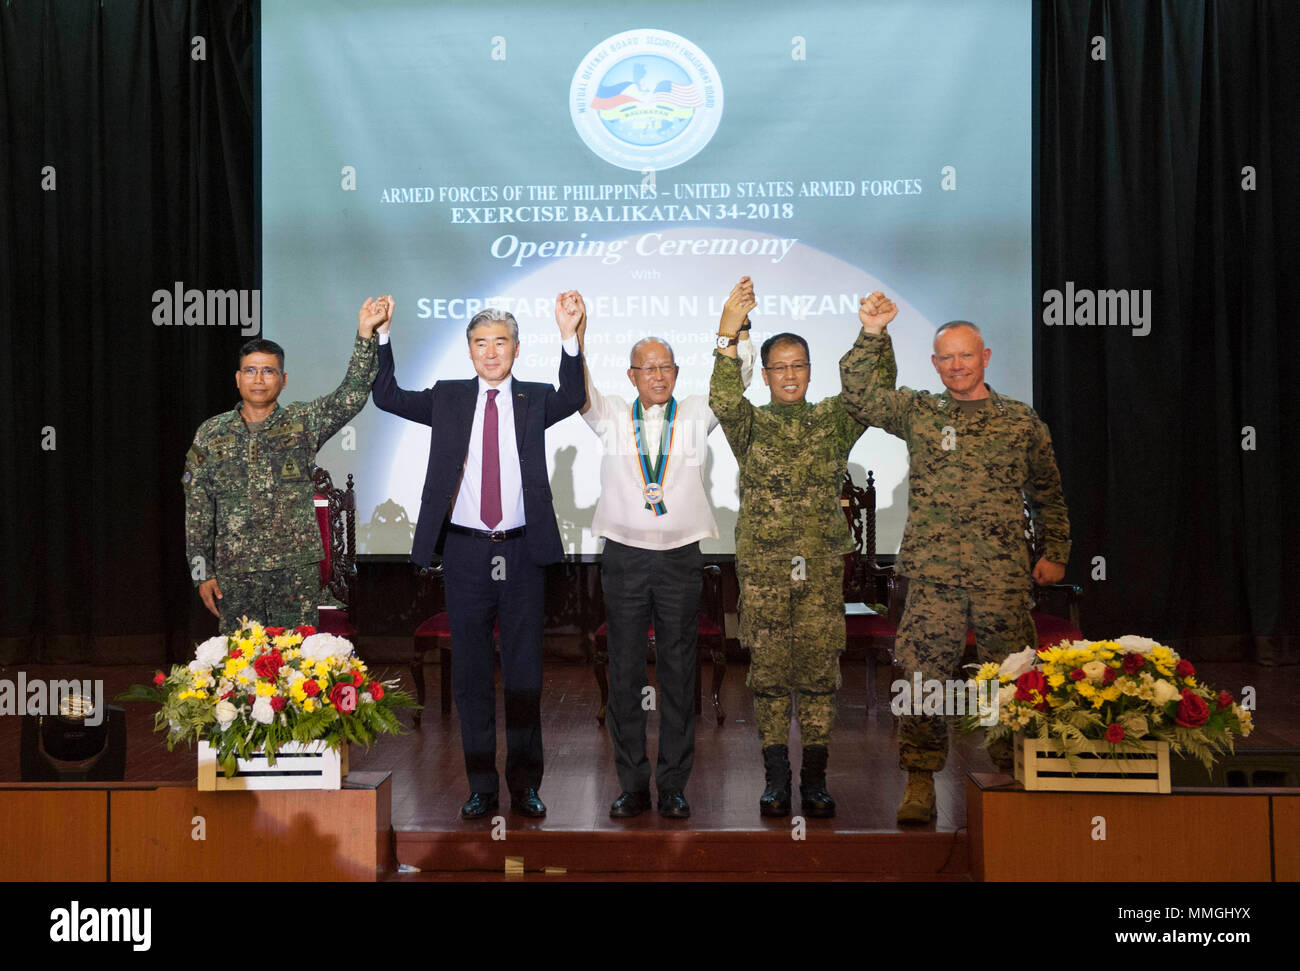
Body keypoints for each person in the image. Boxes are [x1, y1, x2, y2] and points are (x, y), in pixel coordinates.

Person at [839, 309, 1070, 823]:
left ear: (985, 358)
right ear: (935, 363)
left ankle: (1015, 771)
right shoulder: (919, 411)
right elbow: (860, 396)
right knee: (923, 679)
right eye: (947, 357)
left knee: (1012, 680)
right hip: (933, 578)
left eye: (966, 355)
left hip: (1001, 578)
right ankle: (920, 782)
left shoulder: (1020, 421)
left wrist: (1056, 551)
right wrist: (872, 334)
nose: (957, 365)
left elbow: (1049, 493)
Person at [372, 295, 585, 820]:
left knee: (524, 675)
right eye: (480, 342)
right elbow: (387, 396)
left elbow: (576, 393)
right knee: (469, 677)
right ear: (469, 350)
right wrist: (380, 337)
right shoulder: (446, 397)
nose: (490, 352)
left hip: (521, 554)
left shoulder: (535, 399)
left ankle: (526, 785)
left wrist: (569, 334)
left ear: (516, 348)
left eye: (501, 342)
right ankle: (481, 786)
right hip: (466, 553)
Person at [710, 277, 898, 818]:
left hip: (816, 574)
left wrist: (872, 334)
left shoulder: (832, 420)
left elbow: (868, 392)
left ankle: (814, 779)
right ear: (765, 374)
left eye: (799, 365)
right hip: (765, 573)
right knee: (768, 677)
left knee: (818, 676)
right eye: (780, 367)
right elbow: (723, 395)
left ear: (810, 370)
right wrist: (728, 328)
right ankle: (775, 780)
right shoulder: (750, 425)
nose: (790, 375)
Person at [574, 292, 719, 820]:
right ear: (632, 374)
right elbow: (579, 388)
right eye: (648, 367)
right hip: (625, 560)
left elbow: (736, 382)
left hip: (681, 558)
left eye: (667, 367)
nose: (658, 375)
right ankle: (633, 783)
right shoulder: (611, 412)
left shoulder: (699, 412)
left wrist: (735, 330)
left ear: (677, 372)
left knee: (680, 673)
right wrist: (577, 335)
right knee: (626, 671)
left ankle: (674, 784)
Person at [183, 298, 386, 631]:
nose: (259, 379)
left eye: (268, 371)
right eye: (250, 370)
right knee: (242, 671)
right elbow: (197, 508)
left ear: (283, 379)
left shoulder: (303, 422)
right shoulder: (211, 432)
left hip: (294, 576)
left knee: (295, 668)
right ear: (237, 378)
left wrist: (365, 334)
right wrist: (201, 572)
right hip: (237, 575)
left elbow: (352, 394)